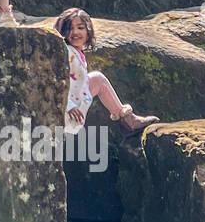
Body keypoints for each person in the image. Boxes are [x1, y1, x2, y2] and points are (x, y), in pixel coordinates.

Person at [56, 7, 159, 135]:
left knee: (98, 79)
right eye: (70, 29)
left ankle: (127, 118)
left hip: (76, 101)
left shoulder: (77, 53)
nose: (75, 32)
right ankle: (128, 120)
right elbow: (54, 80)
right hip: (65, 108)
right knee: (97, 79)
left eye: (80, 28)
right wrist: (68, 104)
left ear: (88, 32)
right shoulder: (67, 53)